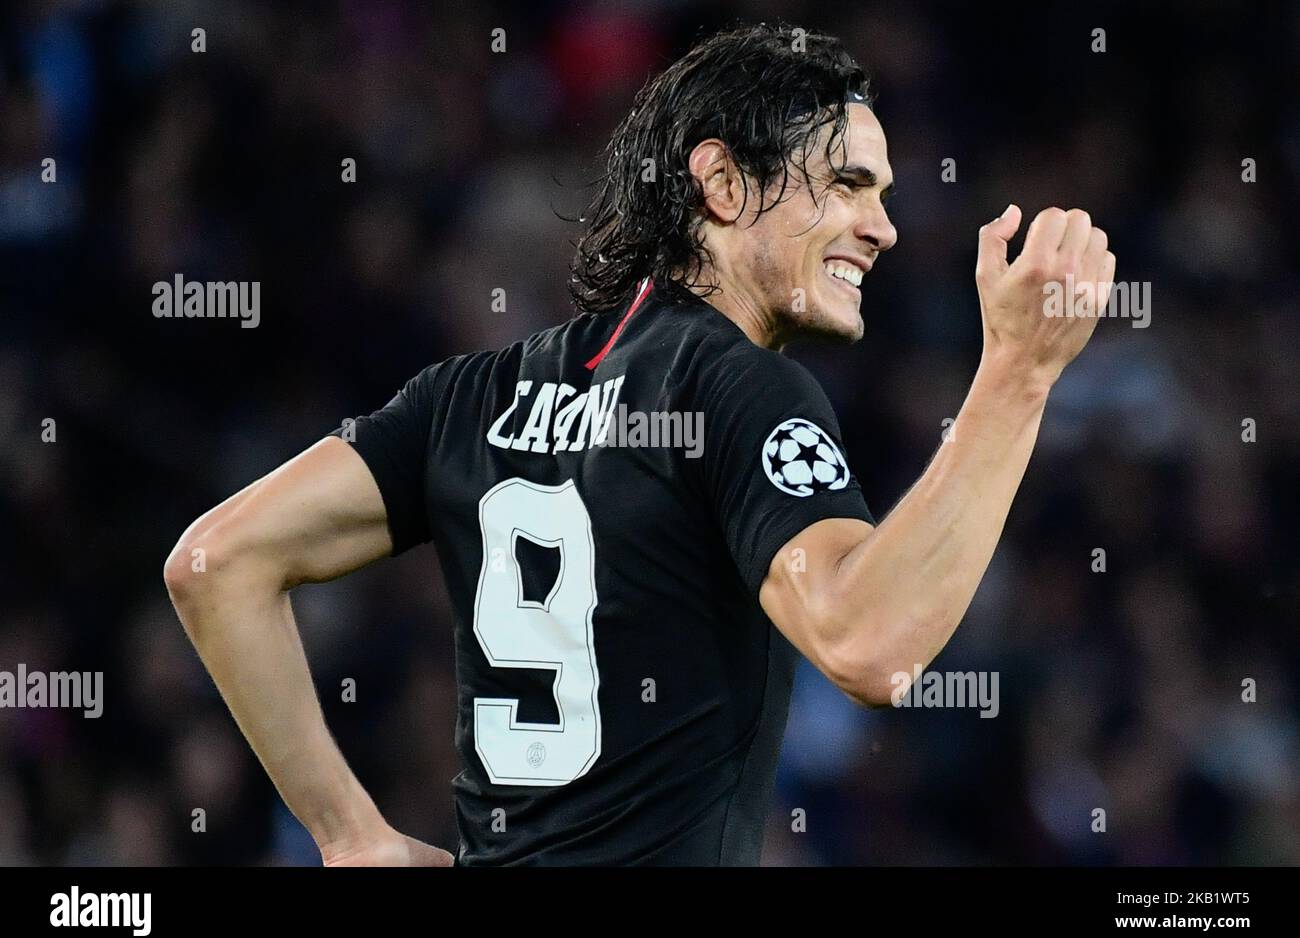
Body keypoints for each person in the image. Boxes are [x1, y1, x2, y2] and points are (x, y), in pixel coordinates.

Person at [164, 23, 1115, 866]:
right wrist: (1018, 376)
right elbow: (868, 644)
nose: (883, 227)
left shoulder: (470, 394)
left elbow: (213, 564)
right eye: (847, 185)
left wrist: (349, 836)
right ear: (723, 183)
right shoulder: (738, 386)